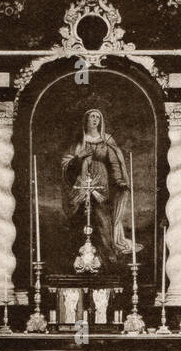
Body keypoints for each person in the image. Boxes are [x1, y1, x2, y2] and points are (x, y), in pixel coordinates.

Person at [61, 109, 142, 268]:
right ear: (86, 120)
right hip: (81, 186)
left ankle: (106, 259)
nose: (95, 119)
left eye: (98, 117)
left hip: (102, 187)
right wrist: (79, 157)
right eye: (92, 116)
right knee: (80, 219)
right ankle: (78, 260)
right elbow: (66, 165)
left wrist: (119, 181)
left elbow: (114, 163)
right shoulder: (79, 142)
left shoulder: (106, 140)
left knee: (102, 220)